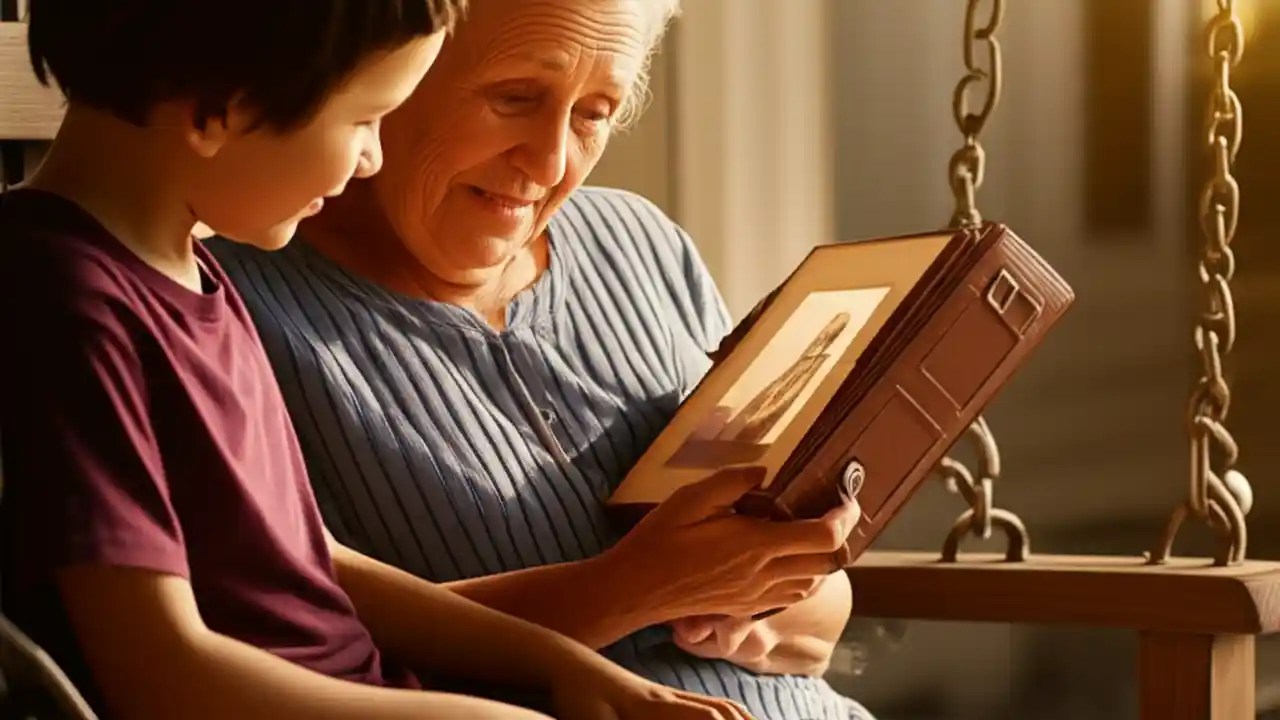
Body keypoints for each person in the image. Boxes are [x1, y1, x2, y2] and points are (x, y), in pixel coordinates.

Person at [0, 2, 754, 719]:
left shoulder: (185, 267)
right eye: (363, 120)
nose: (372, 160)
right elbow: (163, 676)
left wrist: (561, 665)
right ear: (217, 109)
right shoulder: (66, 302)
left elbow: (309, 562)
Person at [209, 0, 876, 718]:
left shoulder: (642, 242)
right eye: (515, 98)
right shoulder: (230, 303)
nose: (551, 162)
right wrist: (636, 588)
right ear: (391, 74)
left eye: (594, 113)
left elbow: (820, 626)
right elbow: (299, 656)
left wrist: (749, 602)